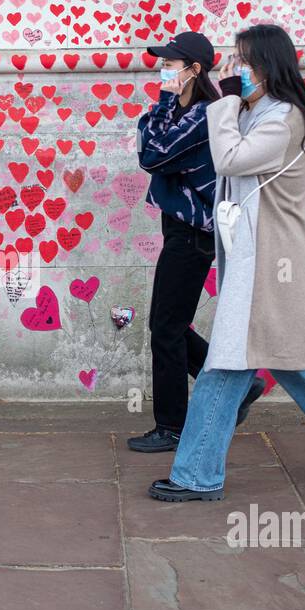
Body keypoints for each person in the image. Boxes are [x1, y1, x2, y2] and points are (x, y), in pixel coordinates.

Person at [148, 23, 305, 501]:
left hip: (269, 262)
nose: (235, 69)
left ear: (267, 66)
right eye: (234, 61)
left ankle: (196, 475)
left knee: (225, 363)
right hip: (254, 256)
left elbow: (227, 159)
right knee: (287, 359)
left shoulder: (283, 119)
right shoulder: (257, 112)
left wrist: (222, 101)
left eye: (243, 62)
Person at [127, 30, 264, 454]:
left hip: (194, 232)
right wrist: (165, 105)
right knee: (168, 325)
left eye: (170, 64)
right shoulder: (179, 110)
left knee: (164, 329)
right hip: (178, 228)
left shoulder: (205, 114)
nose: (163, 71)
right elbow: (147, 141)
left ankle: (172, 426)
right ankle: (240, 387)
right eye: (164, 63)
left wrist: (165, 106)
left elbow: (154, 154)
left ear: (194, 70)